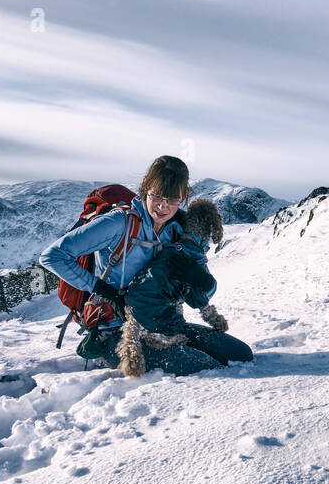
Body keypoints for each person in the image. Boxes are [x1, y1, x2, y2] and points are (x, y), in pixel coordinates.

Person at [38, 156, 253, 375]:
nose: (162, 206)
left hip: (164, 324)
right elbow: (52, 256)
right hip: (117, 331)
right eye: (156, 196)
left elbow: (204, 291)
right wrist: (104, 290)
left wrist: (202, 279)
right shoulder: (119, 223)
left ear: (183, 197)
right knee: (208, 368)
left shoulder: (177, 230)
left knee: (241, 355)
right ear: (145, 189)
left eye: (171, 199)